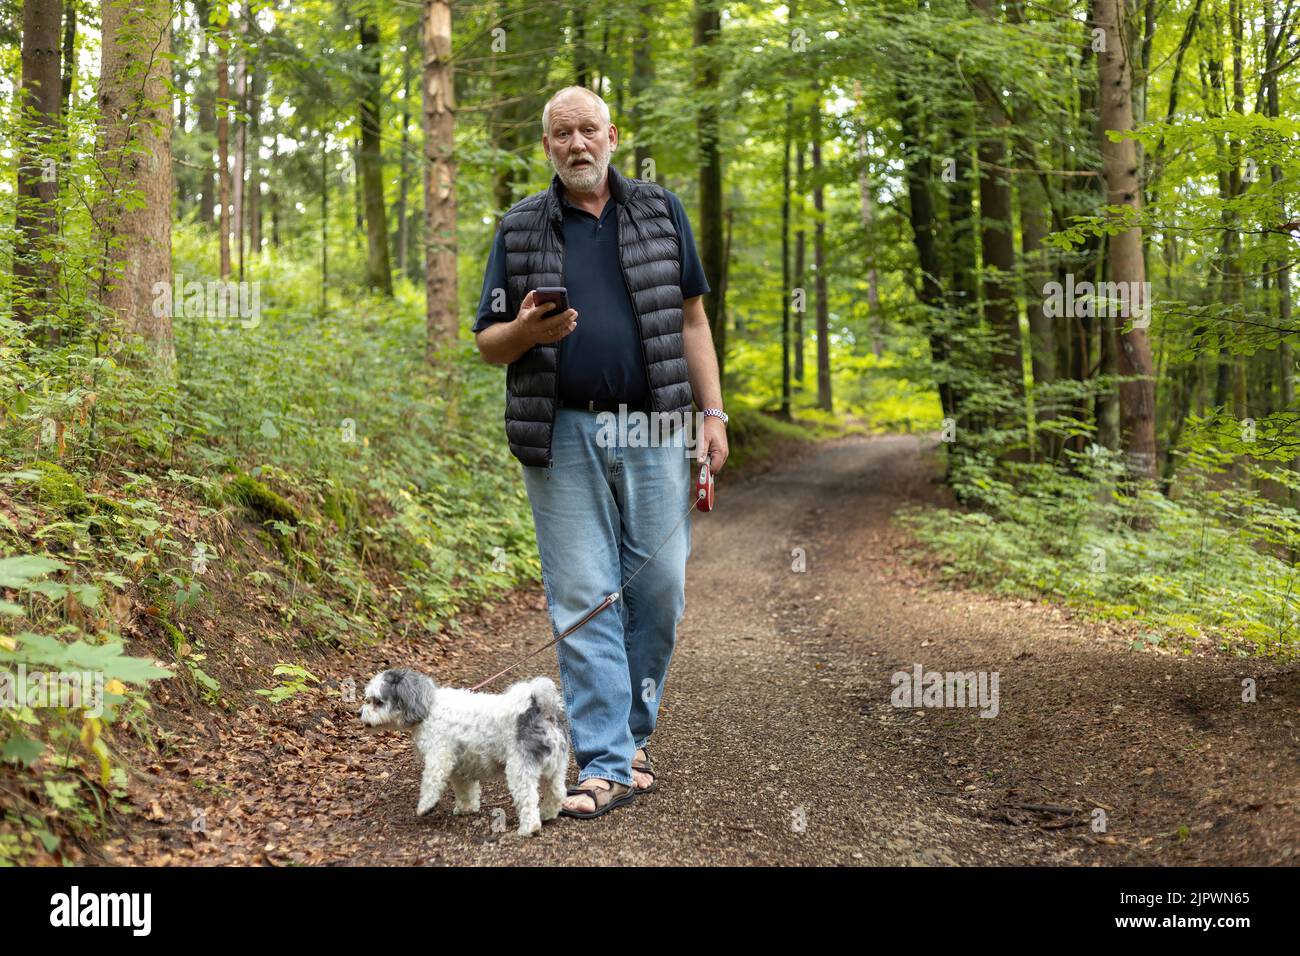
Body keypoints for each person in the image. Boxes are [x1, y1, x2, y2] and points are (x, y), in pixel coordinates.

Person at [472, 85, 728, 819]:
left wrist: (712, 412)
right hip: (562, 434)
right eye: (562, 135)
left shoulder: (660, 210)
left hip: (654, 428)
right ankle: (607, 762)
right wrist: (526, 333)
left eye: (588, 130)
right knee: (586, 597)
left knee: (660, 592)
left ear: (612, 135)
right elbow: (490, 346)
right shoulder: (521, 227)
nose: (577, 145)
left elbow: (692, 321)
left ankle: (633, 736)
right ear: (546, 146)